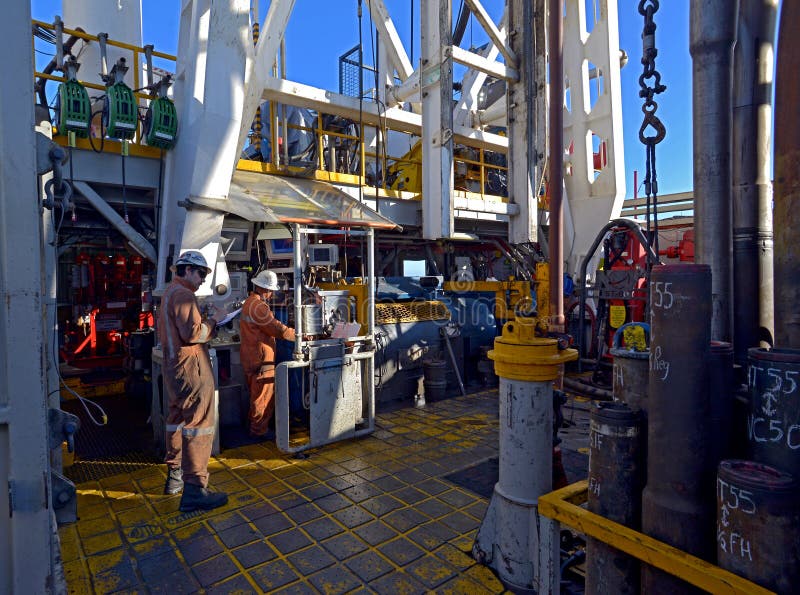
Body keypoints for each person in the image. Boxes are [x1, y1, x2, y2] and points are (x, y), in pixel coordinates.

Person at [158, 250, 228, 512]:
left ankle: (174, 478)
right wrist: (215, 320)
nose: (202, 279)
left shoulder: (169, 293)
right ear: (186, 270)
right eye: (200, 273)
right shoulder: (184, 295)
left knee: (176, 421)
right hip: (191, 370)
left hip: (174, 369)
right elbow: (195, 334)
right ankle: (195, 489)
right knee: (199, 425)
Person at [239, 269, 296, 438]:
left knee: (256, 395)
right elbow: (277, 329)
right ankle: (259, 432)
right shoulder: (259, 306)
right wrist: (299, 336)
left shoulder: (249, 302)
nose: (271, 294)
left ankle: (255, 428)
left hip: (251, 356)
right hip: (261, 360)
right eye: (271, 290)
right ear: (265, 289)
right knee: (263, 397)